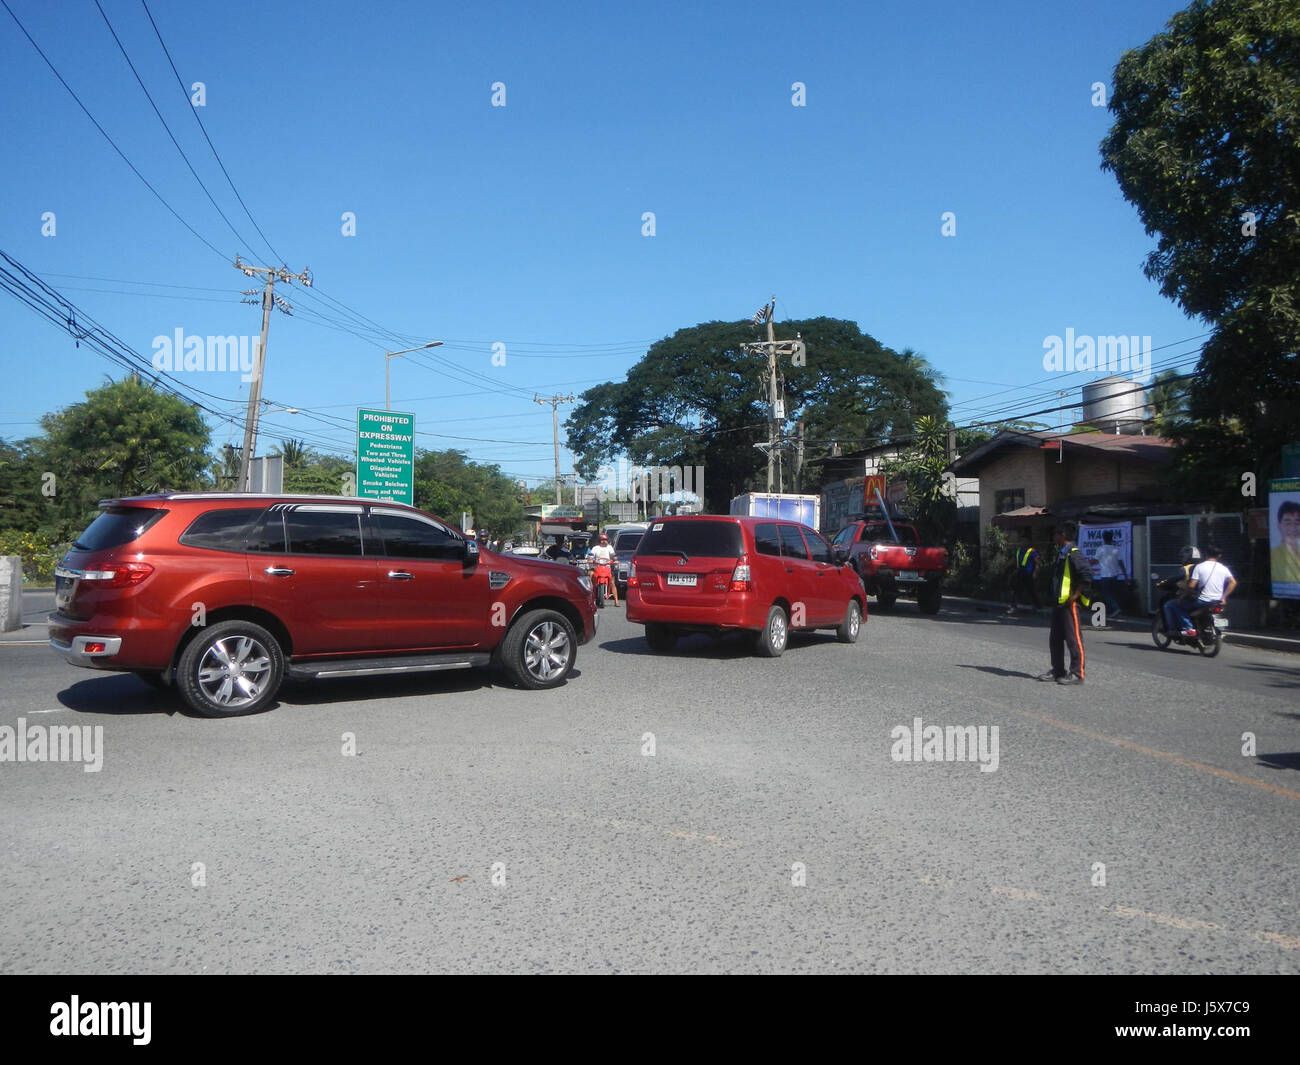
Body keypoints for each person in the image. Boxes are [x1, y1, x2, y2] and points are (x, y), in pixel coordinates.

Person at [1036, 521, 1092, 685]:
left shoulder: (1074, 554)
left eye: (1055, 534)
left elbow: (1087, 576)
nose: (1053, 537)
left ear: (1062, 536)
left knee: (1073, 639)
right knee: (1055, 639)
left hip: (1069, 605)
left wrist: (1074, 596)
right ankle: (1058, 670)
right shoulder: (1062, 554)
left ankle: (1077, 673)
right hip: (1059, 604)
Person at [1165, 544, 1236, 638]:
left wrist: (1182, 597)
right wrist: (1224, 597)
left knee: (1172, 605)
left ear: (1205, 554)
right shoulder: (1223, 568)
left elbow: (1191, 586)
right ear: (1219, 555)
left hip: (1202, 601)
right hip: (1216, 601)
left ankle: (1188, 629)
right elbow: (1233, 582)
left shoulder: (1199, 567)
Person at [1092, 530, 1127, 621]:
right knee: (1112, 594)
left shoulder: (1101, 549)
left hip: (1105, 575)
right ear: (1112, 539)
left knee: (1106, 594)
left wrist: (1086, 565)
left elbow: (1095, 561)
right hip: (1115, 575)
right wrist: (1125, 575)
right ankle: (1113, 612)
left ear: (1103, 538)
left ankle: (1115, 608)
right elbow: (1121, 563)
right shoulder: (1115, 549)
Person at [1006, 531, 1040, 613]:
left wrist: (1035, 573)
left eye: (1025, 541)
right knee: (1015, 589)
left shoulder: (1032, 551)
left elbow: (1037, 563)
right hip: (1020, 573)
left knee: (1031, 590)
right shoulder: (1019, 551)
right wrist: (1006, 566)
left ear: (1028, 542)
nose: (1023, 542)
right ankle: (1013, 606)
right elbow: (1013, 560)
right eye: (1021, 541)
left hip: (1028, 574)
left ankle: (1037, 606)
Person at [1270, 500, 1300, 585]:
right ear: (1279, 526)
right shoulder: (1273, 556)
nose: (1293, 528)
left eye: (1297, 523)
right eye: (1288, 523)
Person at [588, 532, 619, 605]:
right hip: (597, 567)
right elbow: (591, 556)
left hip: (607, 568)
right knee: (590, 575)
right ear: (599, 540)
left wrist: (615, 560)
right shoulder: (595, 548)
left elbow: (614, 556)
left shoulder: (609, 547)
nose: (604, 541)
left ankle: (616, 601)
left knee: (612, 582)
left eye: (605, 539)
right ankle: (590, 596)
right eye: (602, 539)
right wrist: (590, 560)